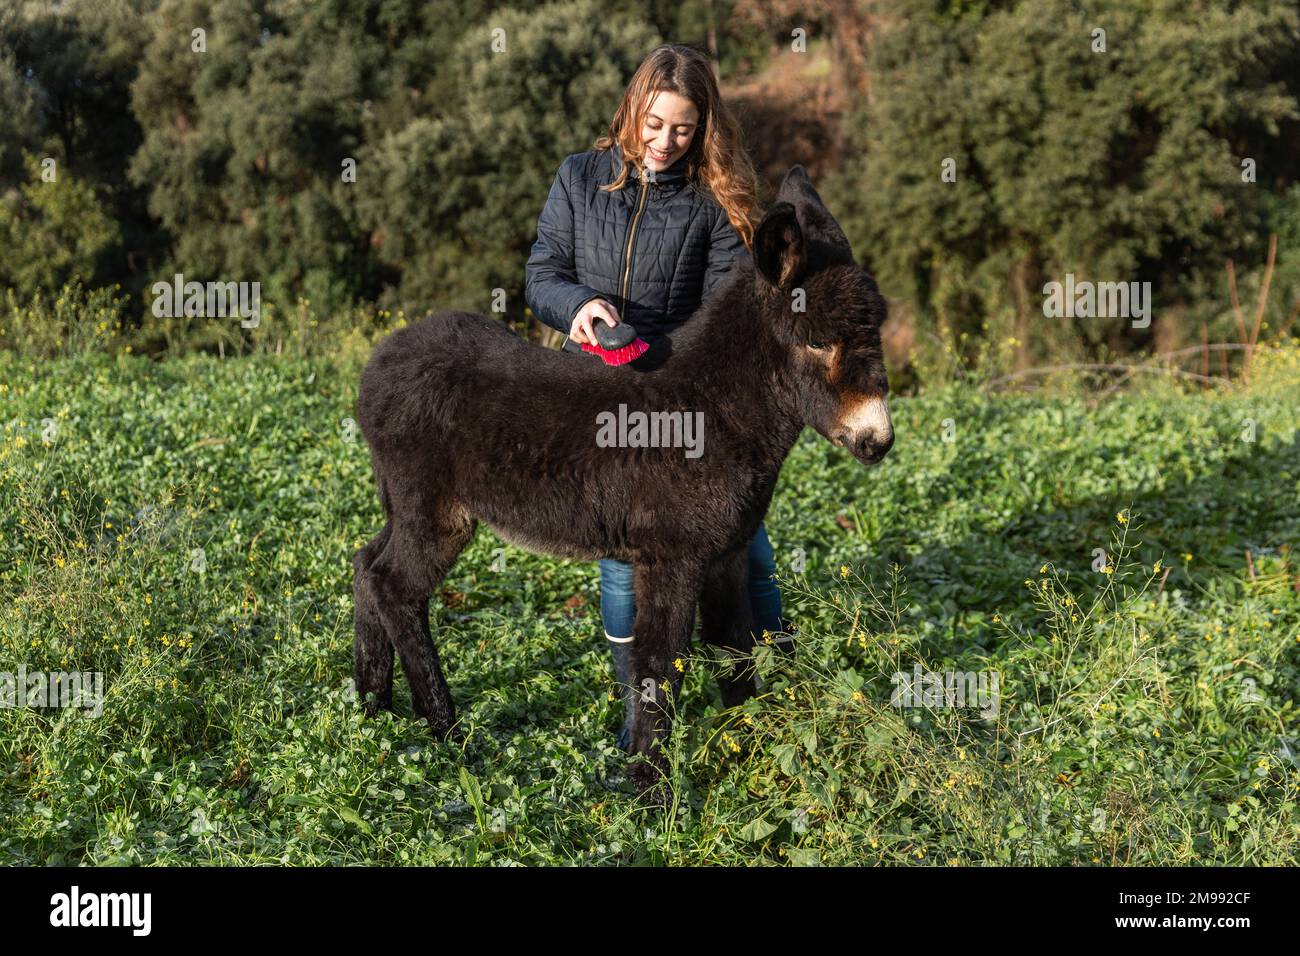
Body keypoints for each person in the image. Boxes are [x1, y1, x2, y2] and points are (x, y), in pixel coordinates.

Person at [524, 44, 793, 753]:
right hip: (591, 398)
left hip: (682, 403)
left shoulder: (712, 204)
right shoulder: (579, 178)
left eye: (682, 128)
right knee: (628, 554)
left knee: (746, 548)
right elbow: (542, 272)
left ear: (704, 126)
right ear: (632, 108)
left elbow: (726, 315)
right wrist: (578, 306)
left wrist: (660, 358)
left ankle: (771, 690)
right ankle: (638, 711)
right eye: (654, 122)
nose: (664, 141)